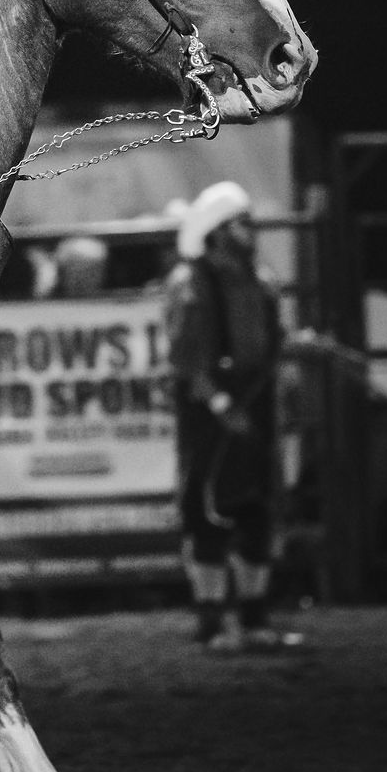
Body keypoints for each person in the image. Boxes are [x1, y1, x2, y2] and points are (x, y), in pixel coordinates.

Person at [164, 181, 302, 651]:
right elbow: (186, 357)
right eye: (242, 224)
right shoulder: (192, 283)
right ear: (220, 231)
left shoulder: (260, 279)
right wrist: (220, 404)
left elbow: (273, 338)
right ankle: (210, 621)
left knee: (257, 506)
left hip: (255, 399)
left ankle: (254, 617)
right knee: (208, 509)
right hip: (211, 404)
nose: (251, 231)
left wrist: (299, 346)